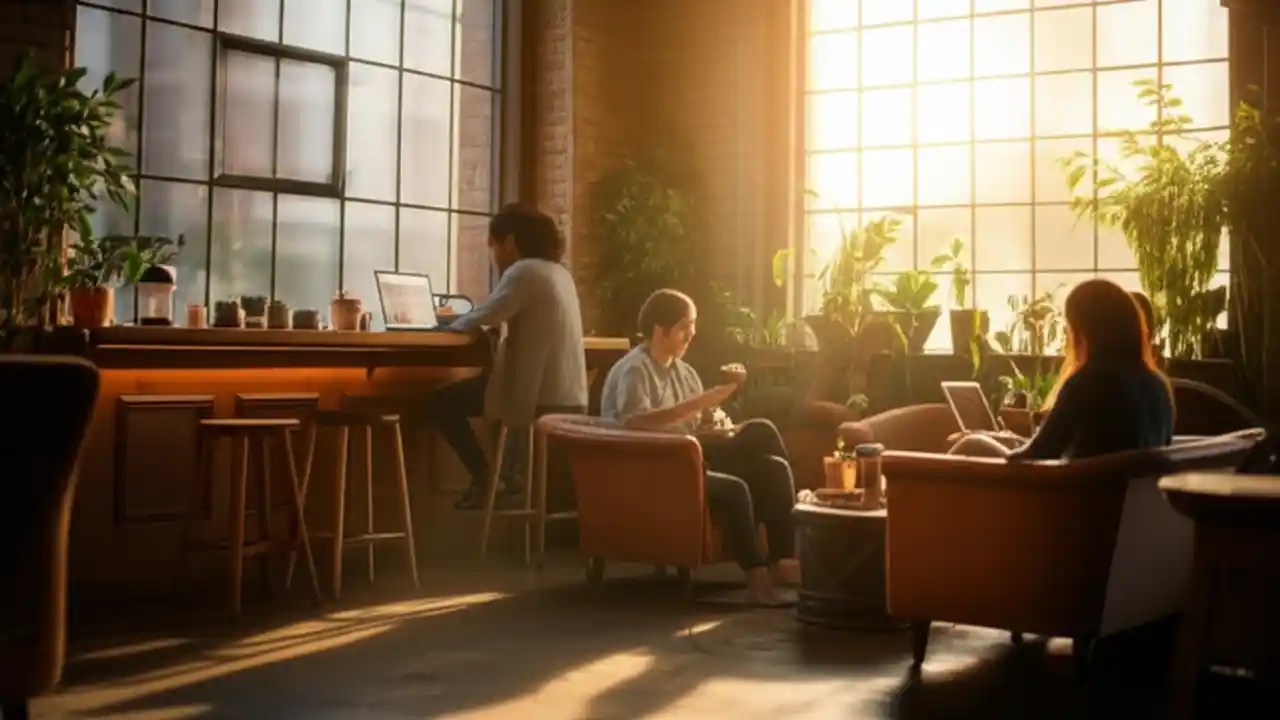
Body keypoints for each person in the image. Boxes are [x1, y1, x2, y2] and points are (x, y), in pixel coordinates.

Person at [599, 289, 799, 606]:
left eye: (693, 324)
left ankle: (784, 560)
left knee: (768, 452)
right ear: (659, 330)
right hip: (653, 470)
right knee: (736, 488)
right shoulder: (635, 370)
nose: (691, 333)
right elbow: (633, 424)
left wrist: (717, 422)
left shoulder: (684, 372)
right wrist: (701, 401)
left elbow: (696, 426)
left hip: (693, 458)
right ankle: (759, 583)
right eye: (684, 326)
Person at [430, 204, 588, 510]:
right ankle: (504, 479)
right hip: (569, 395)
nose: (493, 255)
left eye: (492, 245)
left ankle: (489, 479)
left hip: (539, 397)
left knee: (441, 402)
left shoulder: (524, 271)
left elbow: (483, 316)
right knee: (481, 395)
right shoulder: (559, 273)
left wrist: (437, 326)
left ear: (510, 243)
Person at [951, 279, 1173, 460]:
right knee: (985, 439)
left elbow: (1035, 455)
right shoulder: (1156, 386)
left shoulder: (1090, 382)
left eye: (1070, 328)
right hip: (1122, 504)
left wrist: (988, 441)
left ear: (1085, 332)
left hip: (1066, 501)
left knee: (972, 444)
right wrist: (1006, 439)